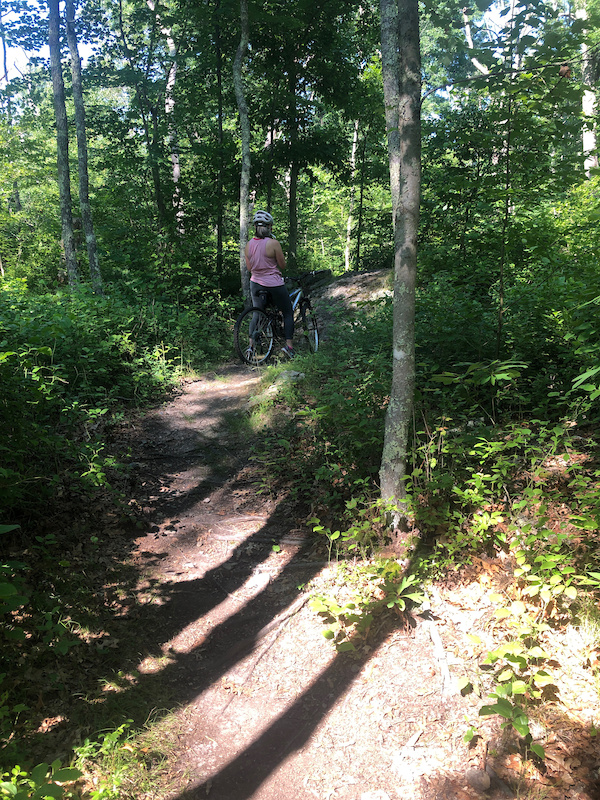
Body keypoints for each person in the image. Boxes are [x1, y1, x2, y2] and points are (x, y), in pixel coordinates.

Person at [244, 210, 295, 359]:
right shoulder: (273, 244)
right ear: (270, 227)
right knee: (287, 312)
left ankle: (250, 347)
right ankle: (289, 347)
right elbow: (282, 265)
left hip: (255, 283)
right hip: (274, 284)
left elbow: (249, 268)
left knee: (257, 314)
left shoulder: (248, 245)